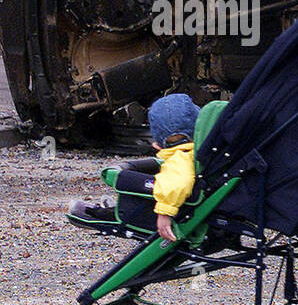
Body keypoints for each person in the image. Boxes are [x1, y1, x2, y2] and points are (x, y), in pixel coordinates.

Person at [68, 93, 201, 241]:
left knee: (132, 179)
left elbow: (176, 184)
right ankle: (118, 206)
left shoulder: (180, 157)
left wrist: (164, 213)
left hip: (178, 212)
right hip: (192, 203)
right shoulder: (196, 151)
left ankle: (107, 213)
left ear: (156, 142)